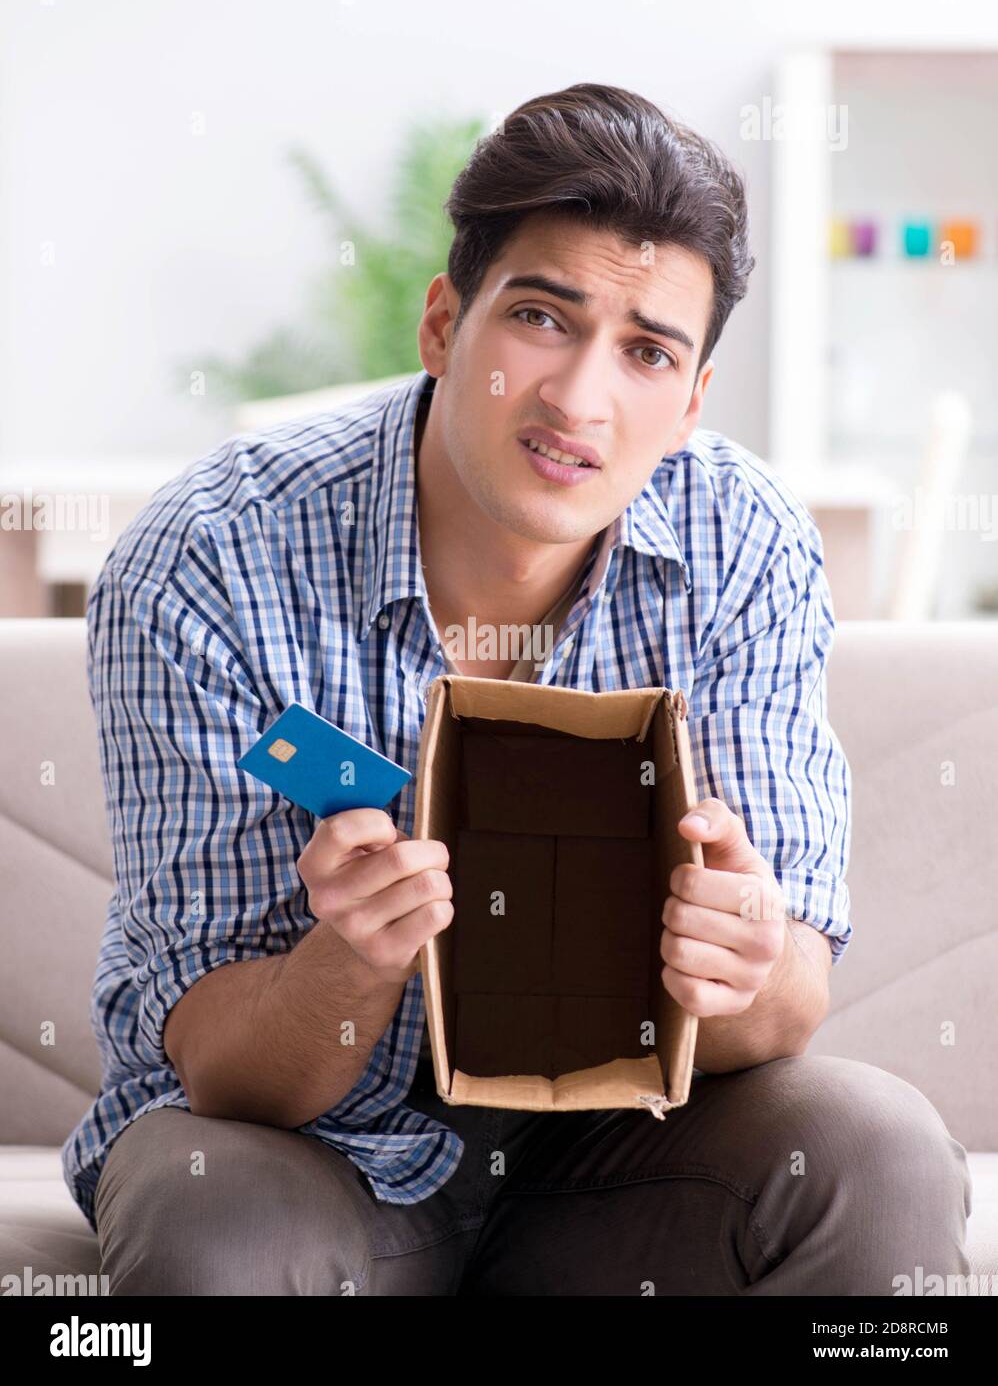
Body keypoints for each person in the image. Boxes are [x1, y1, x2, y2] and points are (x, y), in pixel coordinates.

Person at [63, 82, 971, 1295]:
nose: (578, 400)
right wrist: (347, 960)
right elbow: (224, 1071)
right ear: (443, 323)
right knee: (207, 1215)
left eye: (646, 350)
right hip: (304, 1153)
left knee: (878, 1147)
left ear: (692, 398)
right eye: (542, 318)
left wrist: (738, 967)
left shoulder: (743, 544)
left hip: (621, 1158)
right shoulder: (213, 555)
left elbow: (784, 1002)